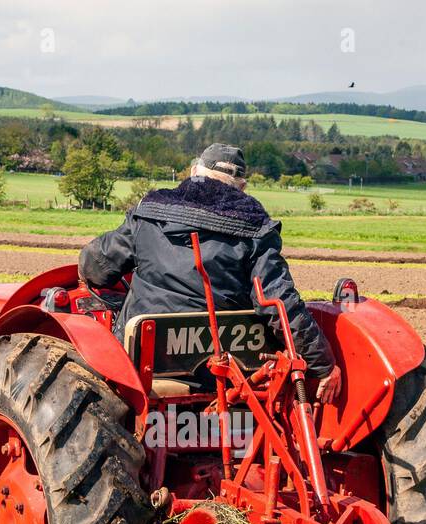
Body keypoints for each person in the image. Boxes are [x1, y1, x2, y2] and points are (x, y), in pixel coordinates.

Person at [79, 144, 340, 403]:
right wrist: (323, 364)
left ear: (194, 172)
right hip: (231, 374)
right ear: (242, 186)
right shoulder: (255, 227)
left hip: (142, 366)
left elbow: (96, 268)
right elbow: (280, 303)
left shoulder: (151, 212)